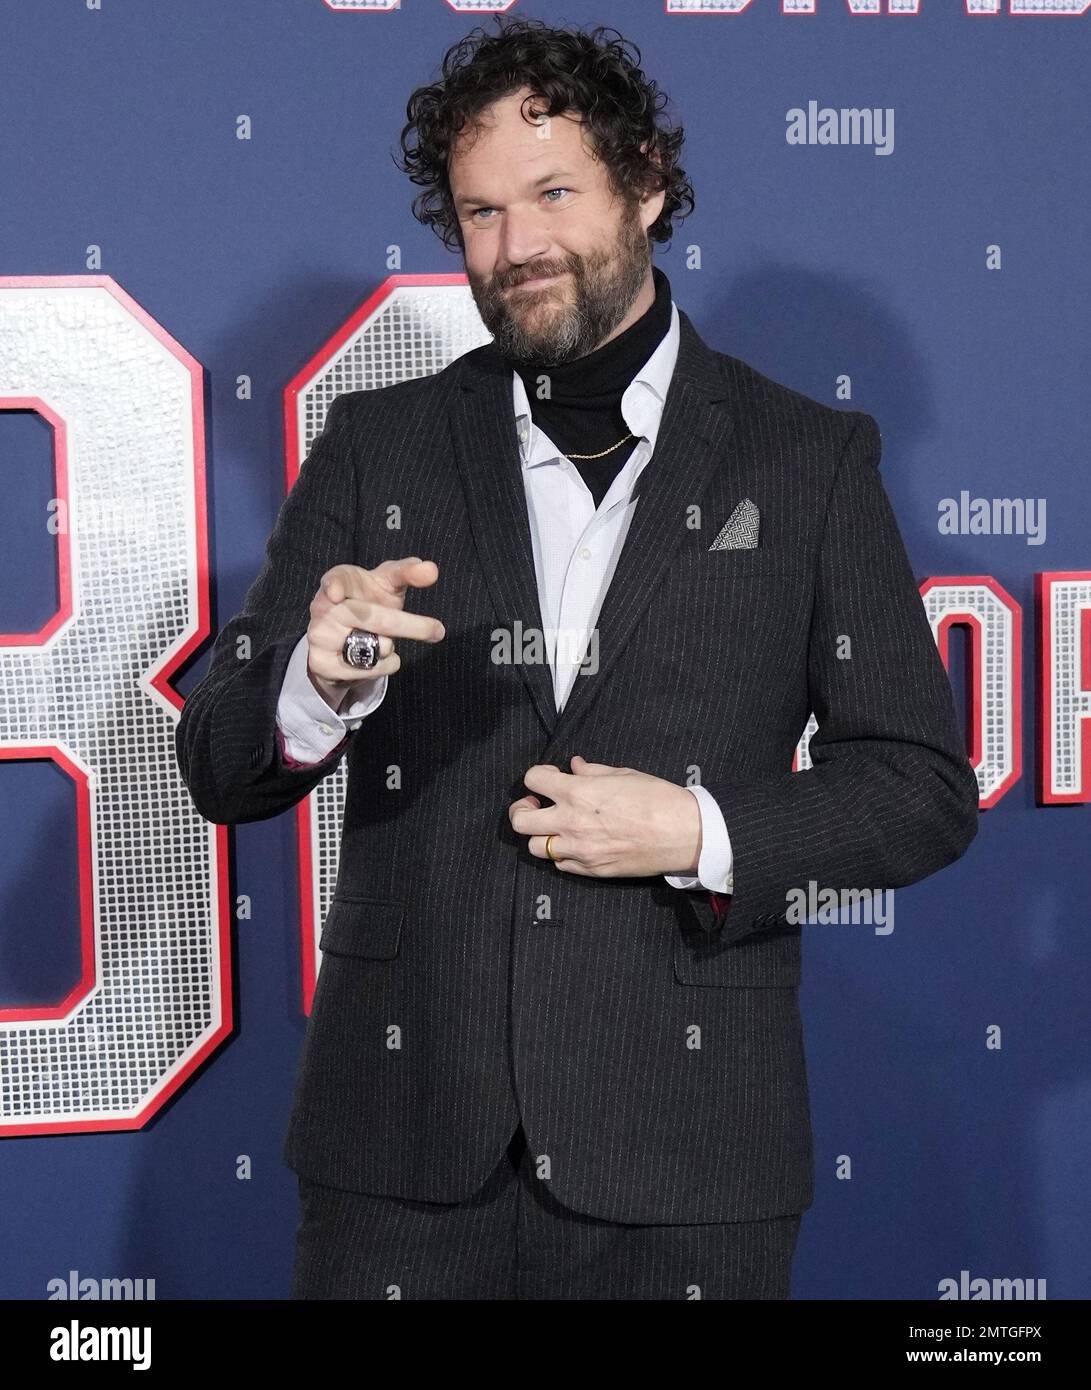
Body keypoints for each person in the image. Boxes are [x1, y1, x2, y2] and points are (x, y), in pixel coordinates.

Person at [175, 18, 978, 1300]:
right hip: (398, 1157)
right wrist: (315, 684)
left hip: (686, 1165)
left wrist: (700, 829)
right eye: (480, 212)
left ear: (647, 184)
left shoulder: (805, 461)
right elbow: (221, 764)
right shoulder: (377, 445)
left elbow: (918, 788)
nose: (517, 247)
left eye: (553, 193)